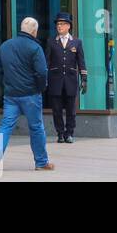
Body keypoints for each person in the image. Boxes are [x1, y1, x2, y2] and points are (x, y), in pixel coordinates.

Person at [0, 17, 54, 171]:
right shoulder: (35, 48)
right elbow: (42, 72)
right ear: (34, 31)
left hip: (11, 95)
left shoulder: (5, 46)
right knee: (36, 127)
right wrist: (40, 88)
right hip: (31, 94)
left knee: (5, 126)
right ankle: (41, 162)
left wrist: (7, 85)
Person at [44, 12, 88, 143]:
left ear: (69, 26)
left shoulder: (76, 42)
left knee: (71, 110)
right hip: (55, 80)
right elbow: (46, 61)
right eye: (58, 24)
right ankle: (60, 133)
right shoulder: (51, 41)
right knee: (56, 110)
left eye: (62, 24)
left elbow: (81, 61)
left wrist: (84, 78)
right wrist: (44, 78)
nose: (59, 26)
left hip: (71, 80)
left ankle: (69, 133)